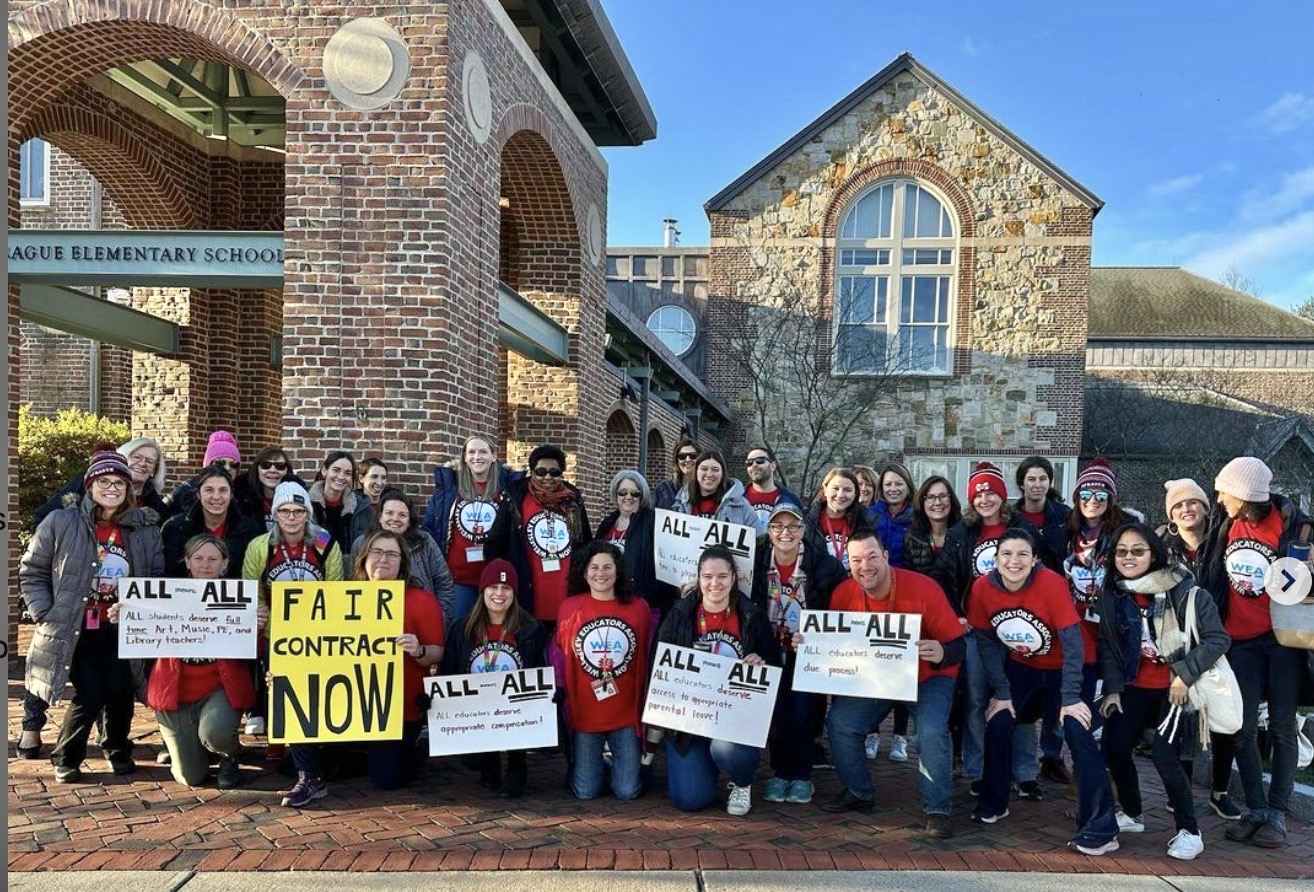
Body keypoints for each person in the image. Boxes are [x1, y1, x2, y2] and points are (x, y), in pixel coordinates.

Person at [968, 528, 1119, 856]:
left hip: (1072, 665)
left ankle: (1101, 827)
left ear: (1034, 559)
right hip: (1026, 665)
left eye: (1023, 554)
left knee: (1078, 730)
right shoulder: (983, 588)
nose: (1014, 561)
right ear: (995, 560)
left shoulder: (1049, 583)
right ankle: (994, 802)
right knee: (999, 720)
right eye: (1006, 554)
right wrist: (1002, 691)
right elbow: (986, 642)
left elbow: (1072, 642)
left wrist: (1070, 697)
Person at [19, 444, 165, 783]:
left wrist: (137, 607)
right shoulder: (62, 522)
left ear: (129, 489)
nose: (112, 489)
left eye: (119, 483)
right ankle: (67, 755)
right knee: (90, 691)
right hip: (74, 624)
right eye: (104, 482)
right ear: (89, 485)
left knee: (120, 688)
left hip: (120, 624)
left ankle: (117, 748)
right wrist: (44, 611)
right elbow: (32, 570)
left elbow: (156, 577)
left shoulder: (145, 528)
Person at [817, 531, 966, 839]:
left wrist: (941, 652)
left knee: (930, 732)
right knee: (841, 721)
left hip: (928, 677)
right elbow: (833, 645)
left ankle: (937, 808)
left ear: (886, 557)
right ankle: (859, 791)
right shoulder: (843, 594)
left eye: (872, 556)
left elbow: (959, 645)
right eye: (856, 559)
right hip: (876, 678)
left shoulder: (924, 588)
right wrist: (810, 644)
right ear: (848, 563)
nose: (865, 566)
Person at [280, 529, 445, 806]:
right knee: (293, 699)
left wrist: (420, 650)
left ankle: (417, 747)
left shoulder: (420, 599)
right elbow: (314, 651)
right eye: (377, 552)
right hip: (347, 703)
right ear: (364, 557)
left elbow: (436, 654)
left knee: (386, 780)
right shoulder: (340, 598)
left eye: (392, 554)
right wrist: (285, 671)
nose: (384, 559)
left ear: (402, 562)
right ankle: (310, 777)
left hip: (396, 710)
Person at [1096, 522, 1230, 861]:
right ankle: (1132, 813)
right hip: (1134, 684)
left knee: (1165, 757)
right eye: (1121, 551)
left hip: (1175, 687)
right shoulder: (1112, 590)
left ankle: (1190, 831)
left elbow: (1218, 639)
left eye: (1137, 551)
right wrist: (1112, 690)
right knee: (1114, 744)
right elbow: (1109, 645)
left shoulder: (1183, 588)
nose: (1128, 558)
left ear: (1154, 553)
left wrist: (1183, 676)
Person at [1206, 458, 1313, 849]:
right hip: (1240, 642)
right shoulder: (1226, 526)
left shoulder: (1293, 528)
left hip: (1283, 640)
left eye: (1224, 491)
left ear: (1244, 494)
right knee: (1241, 726)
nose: (1219, 498)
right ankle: (1256, 809)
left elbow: (1305, 583)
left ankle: (1277, 814)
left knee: (1283, 726)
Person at [128, 534, 262, 789]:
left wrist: (255, 629)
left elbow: (251, 652)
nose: (205, 565)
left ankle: (228, 755)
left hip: (219, 688)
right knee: (191, 777)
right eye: (198, 558)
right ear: (187, 562)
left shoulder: (238, 597)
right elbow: (140, 629)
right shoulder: (166, 597)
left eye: (213, 559)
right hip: (175, 692)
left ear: (225, 563)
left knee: (217, 735)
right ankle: (198, 748)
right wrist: (125, 614)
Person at [656, 545, 780, 815]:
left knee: (725, 749)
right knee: (689, 800)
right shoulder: (679, 616)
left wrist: (761, 665)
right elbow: (660, 668)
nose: (715, 583)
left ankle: (742, 782)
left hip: (733, 721)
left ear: (734, 578)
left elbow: (774, 668)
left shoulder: (751, 617)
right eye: (707, 576)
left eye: (722, 576)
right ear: (698, 578)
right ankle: (705, 766)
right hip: (690, 720)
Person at [928, 461, 1019, 791]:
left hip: (1017, 627)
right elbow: (939, 577)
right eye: (979, 494)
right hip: (977, 630)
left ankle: (1018, 770)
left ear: (1002, 497)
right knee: (976, 699)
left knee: (1013, 698)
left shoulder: (1019, 528)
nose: (985, 499)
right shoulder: (960, 534)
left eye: (992, 492)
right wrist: (955, 614)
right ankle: (978, 770)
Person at [1158, 477, 1242, 820]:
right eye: (1178, 506)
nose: (1186, 509)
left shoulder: (1225, 540)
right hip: (1181, 642)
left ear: (1206, 508)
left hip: (1223, 638)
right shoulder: (1164, 548)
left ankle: (1219, 791)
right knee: (1187, 715)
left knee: (1225, 716)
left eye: (1192, 503)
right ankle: (1183, 788)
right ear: (1171, 516)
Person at [750, 503, 846, 804]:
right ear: (770, 531)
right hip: (769, 647)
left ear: (803, 531)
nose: (785, 532)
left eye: (792, 526)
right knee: (778, 712)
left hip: (807, 651)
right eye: (778, 526)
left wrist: (818, 638)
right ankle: (780, 772)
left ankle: (802, 774)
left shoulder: (824, 565)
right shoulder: (756, 564)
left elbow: (840, 609)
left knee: (804, 710)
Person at [241, 481, 344, 737]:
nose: (291, 517)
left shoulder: (324, 541)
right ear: (275, 514)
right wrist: (262, 613)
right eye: (284, 511)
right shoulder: (260, 545)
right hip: (275, 629)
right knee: (272, 678)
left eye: (298, 511)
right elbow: (251, 585)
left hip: (314, 627)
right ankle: (266, 722)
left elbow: (335, 588)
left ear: (308, 513)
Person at [441, 559, 547, 797]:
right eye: (493, 588)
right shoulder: (463, 629)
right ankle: (487, 761)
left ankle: (517, 765)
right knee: (471, 761)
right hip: (477, 708)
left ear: (514, 593)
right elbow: (449, 670)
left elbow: (541, 670)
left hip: (517, 708)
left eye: (506, 588)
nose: (499, 593)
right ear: (483, 591)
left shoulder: (531, 629)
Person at [556, 542, 653, 801]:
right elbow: (560, 656)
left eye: (608, 567)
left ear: (618, 571)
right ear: (585, 573)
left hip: (624, 714)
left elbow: (646, 651)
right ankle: (596, 764)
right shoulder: (570, 607)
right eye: (594, 567)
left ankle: (615, 764)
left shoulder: (638, 607)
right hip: (586, 715)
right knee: (586, 792)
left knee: (627, 791)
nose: (601, 573)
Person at [1012, 456, 1072, 786]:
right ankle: (1022, 758)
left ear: (1050, 482)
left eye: (1042, 478)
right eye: (1031, 478)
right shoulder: (1013, 517)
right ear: (1021, 483)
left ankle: (1052, 754)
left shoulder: (1063, 517)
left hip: (1057, 601)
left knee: (1056, 691)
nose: (1037, 484)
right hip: (1021, 603)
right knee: (1025, 685)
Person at [423, 434, 519, 622]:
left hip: (496, 581)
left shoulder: (509, 490)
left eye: (483, 452)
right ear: (464, 458)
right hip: (458, 580)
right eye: (472, 452)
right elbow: (431, 528)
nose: (477, 457)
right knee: (459, 633)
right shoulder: (450, 489)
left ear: (493, 456)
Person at [507, 445, 592, 625]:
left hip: (566, 590)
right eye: (541, 471)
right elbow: (499, 542)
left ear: (562, 473)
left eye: (554, 472)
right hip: (528, 591)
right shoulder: (516, 498)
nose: (547, 477)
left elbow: (584, 543)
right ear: (532, 472)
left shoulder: (572, 501)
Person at [354, 488, 455, 621]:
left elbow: (443, 583)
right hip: (373, 620)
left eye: (402, 515)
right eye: (389, 513)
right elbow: (354, 582)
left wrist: (440, 619)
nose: (395, 519)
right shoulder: (362, 543)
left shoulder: (425, 542)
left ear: (409, 522)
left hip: (421, 618)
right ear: (380, 517)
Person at [32, 436, 174, 529]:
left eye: (149, 461)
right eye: (136, 457)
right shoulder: (84, 485)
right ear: (122, 457)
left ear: (154, 471)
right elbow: (42, 520)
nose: (142, 463)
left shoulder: (156, 508)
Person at [594, 469, 674, 616]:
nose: (628, 497)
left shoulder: (653, 522)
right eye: (623, 493)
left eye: (634, 493)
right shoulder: (607, 523)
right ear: (616, 494)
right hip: (608, 597)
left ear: (642, 496)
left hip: (641, 603)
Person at [160, 466, 263, 578]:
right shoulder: (175, 528)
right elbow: (170, 576)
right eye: (209, 490)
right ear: (198, 494)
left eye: (223, 490)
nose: (216, 496)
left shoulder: (251, 530)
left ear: (231, 495)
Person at [672, 449, 759, 531]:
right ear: (696, 472)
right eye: (704, 469)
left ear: (722, 474)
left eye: (715, 470)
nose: (709, 474)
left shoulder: (741, 505)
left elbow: (759, 539)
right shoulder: (681, 504)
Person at [805, 468, 874, 570]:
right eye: (835, 488)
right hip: (819, 583)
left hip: (853, 583)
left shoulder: (865, 521)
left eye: (847, 490)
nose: (840, 495)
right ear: (825, 490)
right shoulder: (807, 521)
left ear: (855, 494)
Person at [165, 430, 243, 516]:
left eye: (234, 464)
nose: (228, 468)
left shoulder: (244, 494)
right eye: (220, 463)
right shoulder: (184, 491)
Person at [308, 451, 364, 563]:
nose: (341, 477)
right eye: (336, 470)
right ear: (324, 471)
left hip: (350, 571)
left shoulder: (360, 507)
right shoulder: (306, 503)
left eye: (347, 473)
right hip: (315, 567)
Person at [234, 446, 305, 529]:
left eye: (280, 466)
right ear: (257, 469)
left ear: (287, 470)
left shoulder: (300, 499)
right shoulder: (241, 501)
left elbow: (315, 529)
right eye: (266, 465)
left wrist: (323, 540)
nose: (273, 470)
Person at [742, 446, 803, 531]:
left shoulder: (791, 500)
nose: (754, 465)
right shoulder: (737, 498)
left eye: (760, 461)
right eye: (749, 463)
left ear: (773, 466)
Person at [871, 462, 915, 569]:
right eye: (888, 484)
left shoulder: (918, 518)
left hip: (906, 579)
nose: (893, 489)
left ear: (908, 488)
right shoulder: (869, 515)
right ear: (882, 488)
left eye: (899, 484)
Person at [348, 457, 390, 546]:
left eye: (383, 478)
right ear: (361, 478)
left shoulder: (391, 504)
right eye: (374, 477)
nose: (379, 482)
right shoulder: (350, 505)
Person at [653, 438, 699, 511]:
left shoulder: (705, 490)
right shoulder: (663, 489)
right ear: (677, 460)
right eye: (682, 456)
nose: (687, 460)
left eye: (693, 456)